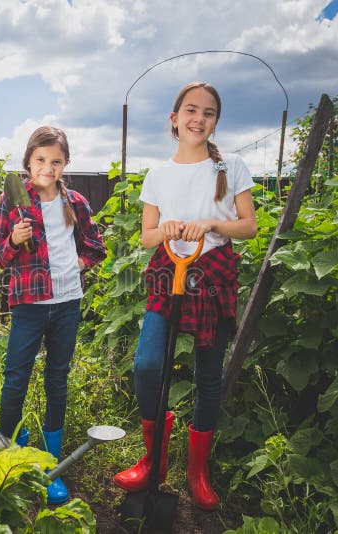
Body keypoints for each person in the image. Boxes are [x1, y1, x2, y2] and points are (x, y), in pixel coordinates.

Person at [112, 82, 257, 509]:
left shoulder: (231, 165)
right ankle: (154, 460)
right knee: (146, 364)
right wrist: (169, 228)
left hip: (212, 274)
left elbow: (248, 225)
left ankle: (197, 471)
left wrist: (211, 223)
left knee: (208, 373)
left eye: (208, 112)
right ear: (173, 119)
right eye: (190, 110)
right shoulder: (159, 174)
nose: (199, 118)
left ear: (216, 122)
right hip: (168, 272)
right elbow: (145, 237)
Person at [0, 126, 106, 505]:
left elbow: (95, 245)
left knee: (57, 378)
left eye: (55, 161)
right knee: (15, 377)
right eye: (40, 160)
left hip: (67, 304)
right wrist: (14, 240)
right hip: (28, 305)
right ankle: (8, 454)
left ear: (65, 165)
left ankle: (50, 462)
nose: (47, 166)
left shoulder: (74, 201)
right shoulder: (13, 201)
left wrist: (79, 262)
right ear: (28, 162)